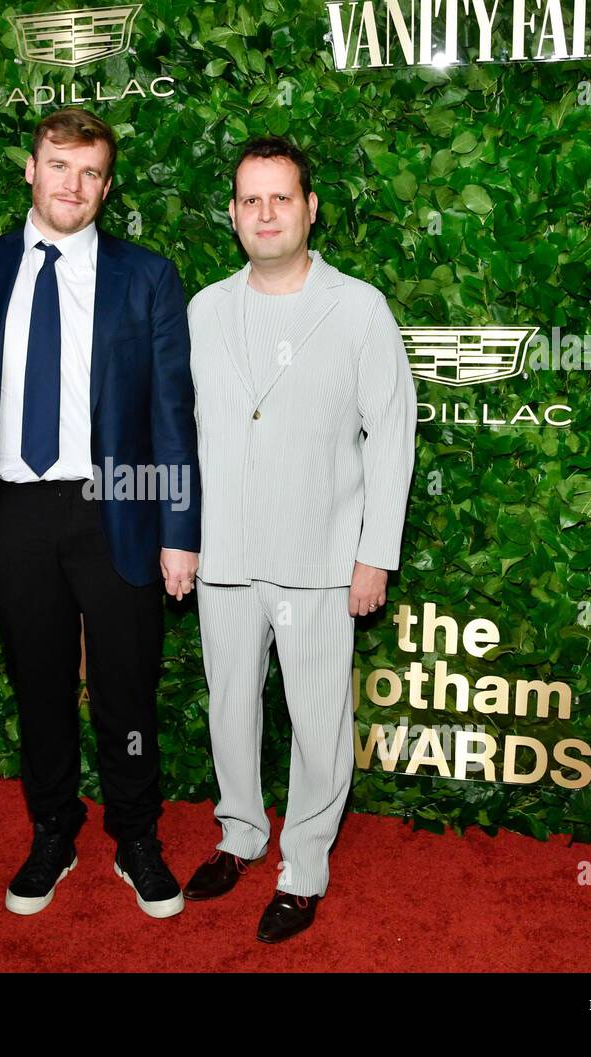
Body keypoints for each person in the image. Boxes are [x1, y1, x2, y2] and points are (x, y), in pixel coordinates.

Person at [0, 107, 200, 919]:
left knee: (127, 687)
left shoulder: (144, 275)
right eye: (58, 165)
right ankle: (53, 830)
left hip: (116, 506)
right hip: (12, 514)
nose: (72, 185)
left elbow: (171, 414)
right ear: (31, 169)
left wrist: (179, 531)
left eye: (89, 173)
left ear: (106, 186)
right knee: (39, 686)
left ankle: (137, 836)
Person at [182, 136, 417, 943]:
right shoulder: (204, 309)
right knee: (229, 710)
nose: (266, 213)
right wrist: (181, 535)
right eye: (251, 200)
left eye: (281, 197)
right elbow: (188, 433)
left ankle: (305, 862)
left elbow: (392, 434)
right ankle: (240, 831)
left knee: (318, 723)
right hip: (224, 554)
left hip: (320, 558)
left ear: (311, 208)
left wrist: (373, 553)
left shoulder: (359, 307)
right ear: (233, 215)